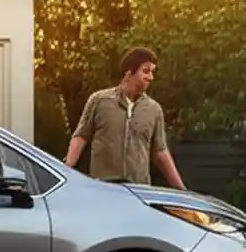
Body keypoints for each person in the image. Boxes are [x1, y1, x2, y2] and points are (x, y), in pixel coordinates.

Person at [64, 47, 186, 189]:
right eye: (146, 71)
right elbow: (80, 137)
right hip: (103, 187)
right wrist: (65, 171)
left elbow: (160, 152)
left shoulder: (154, 110)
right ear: (129, 73)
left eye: (152, 72)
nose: (151, 77)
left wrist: (182, 189)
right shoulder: (99, 100)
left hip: (139, 190)